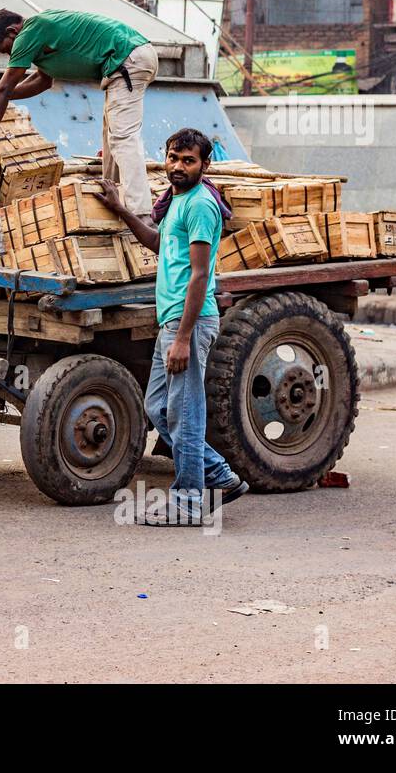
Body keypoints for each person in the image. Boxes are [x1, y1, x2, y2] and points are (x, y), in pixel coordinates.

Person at [99, 128, 249, 526]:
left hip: (190, 323)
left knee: (185, 413)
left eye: (188, 161)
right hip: (171, 322)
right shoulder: (177, 201)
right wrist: (124, 211)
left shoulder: (200, 205)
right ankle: (217, 475)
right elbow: (158, 243)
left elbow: (201, 276)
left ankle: (188, 502)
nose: (178, 167)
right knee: (158, 407)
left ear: (205, 164)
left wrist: (183, 338)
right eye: (173, 158)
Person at [0, 8, 158, 220]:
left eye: (8, 50)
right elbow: (42, 81)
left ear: (12, 31)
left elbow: (3, 88)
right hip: (130, 58)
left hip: (128, 59)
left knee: (123, 137)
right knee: (111, 134)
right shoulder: (41, 32)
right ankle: (115, 193)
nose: (13, 56)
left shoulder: (29, 33)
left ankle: (140, 213)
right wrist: (0, 99)